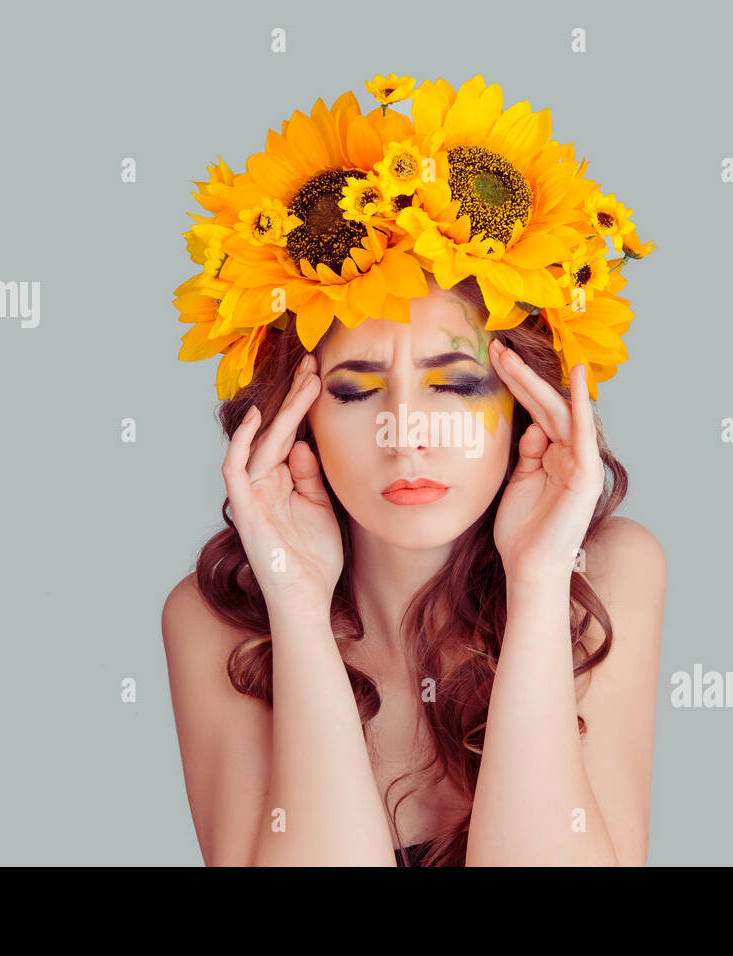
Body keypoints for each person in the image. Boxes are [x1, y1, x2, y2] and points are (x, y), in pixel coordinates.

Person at [162, 73, 664, 866]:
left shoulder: (606, 576)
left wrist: (535, 590)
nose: (406, 439)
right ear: (299, 418)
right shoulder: (217, 623)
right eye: (357, 391)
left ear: (523, 408)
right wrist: (296, 606)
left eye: (458, 385)